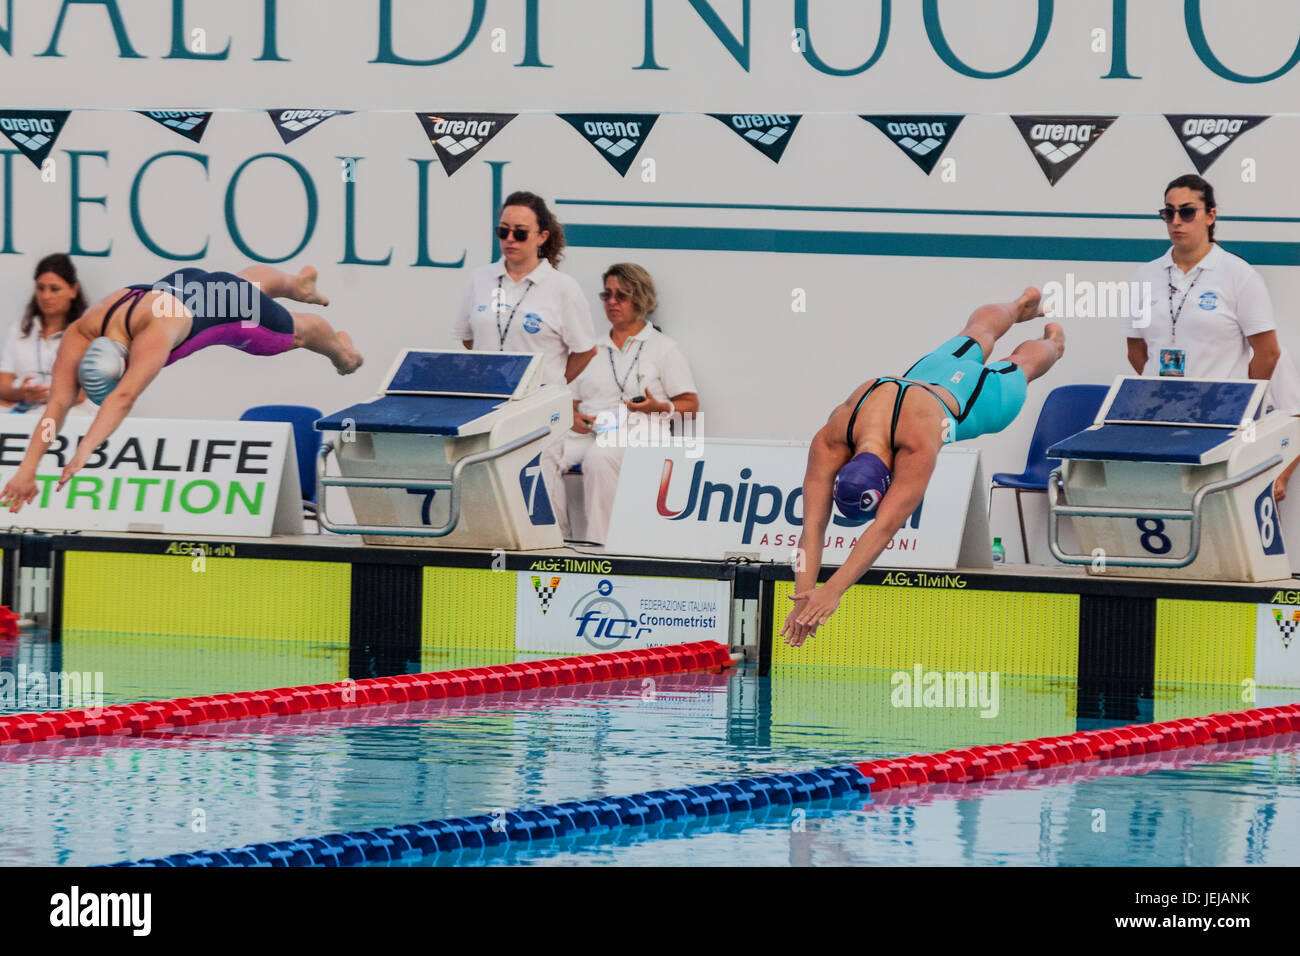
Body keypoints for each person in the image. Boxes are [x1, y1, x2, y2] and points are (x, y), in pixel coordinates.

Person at [782, 288, 1064, 647]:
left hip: (972, 400)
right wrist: (805, 593)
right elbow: (813, 525)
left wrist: (833, 590)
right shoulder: (835, 434)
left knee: (1021, 365)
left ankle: (1054, 342)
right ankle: (1017, 305)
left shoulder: (914, 446)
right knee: (978, 331)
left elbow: (883, 528)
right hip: (928, 374)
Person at [0, 263, 362, 514]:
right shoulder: (83, 331)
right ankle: (293, 284)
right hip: (188, 283)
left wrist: (85, 451)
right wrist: (27, 469)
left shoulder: (152, 338)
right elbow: (57, 407)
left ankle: (341, 349)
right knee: (242, 283)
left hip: (226, 307)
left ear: (124, 364)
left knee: (297, 332)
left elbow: (123, 398)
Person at [1125, 173, 1297, 499]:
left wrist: (1237, 403)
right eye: (1168, 213)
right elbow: (1136, 351)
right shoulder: (1144, 276)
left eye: (1187, 212)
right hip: (1157, 422)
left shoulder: (1238, 275)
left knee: (1214, 522)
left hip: (1219, 427)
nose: (1177, 221)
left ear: (1210, 215)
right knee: (1163, 520)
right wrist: (1168, 396)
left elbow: (1268, 353)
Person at [546, 263, 699, 544]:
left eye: (621, 295)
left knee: (600, 457)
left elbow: (690, 405)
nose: (612, 302)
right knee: (543, 456)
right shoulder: (591, 348)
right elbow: (571, 401)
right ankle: (555, 541)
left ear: (639, 298)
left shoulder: (663, 347)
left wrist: (659, 408)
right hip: (592, 431)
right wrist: (573, 416)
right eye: (607, 295)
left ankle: (602, 546)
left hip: (642, 430)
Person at [452, 190, 597, 387]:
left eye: (520, 233)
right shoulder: (479, 278)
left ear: (542, 237)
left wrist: (552, 386)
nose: (510, 239)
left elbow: (586, 350)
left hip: (537, 405)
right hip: (486, 396)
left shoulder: (563, 287)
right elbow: (469, 339)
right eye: (503, 231)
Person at [1, 253, 91, 412]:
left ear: (73, 290)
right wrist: (23, 393)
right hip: (24, 407)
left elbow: (84, 393)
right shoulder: (20, 329)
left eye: (54, 289)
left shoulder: (87, 332)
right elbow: (3, 384)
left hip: (70, 412)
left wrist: (42, 396)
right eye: (40, 288)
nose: (46, 296)